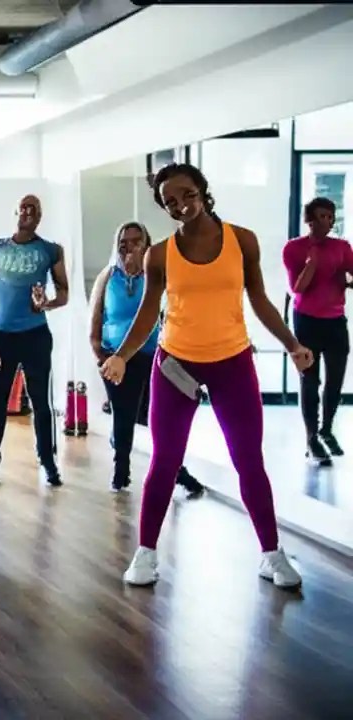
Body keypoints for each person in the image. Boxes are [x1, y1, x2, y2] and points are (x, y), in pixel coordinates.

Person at [101, 162, 307, 589]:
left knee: (248, 459)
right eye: (170, 202)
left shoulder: (242, 240)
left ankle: (271, 553)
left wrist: (292, 344)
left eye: (187, 195)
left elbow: (261, 300)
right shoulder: (160, 253)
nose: (180, 206)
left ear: (202, 190)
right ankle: (146, 552)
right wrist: (121, 356)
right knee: (165, 459)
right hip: (175, 363)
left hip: (232, 361)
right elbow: (146, 316)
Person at [88, 222, 204, 496]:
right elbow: (94, 324)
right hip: (115, 357)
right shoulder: (108, 277)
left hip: (153, 356)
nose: (129, 246)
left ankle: (177, 471)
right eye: (124, 242)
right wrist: (101, 357)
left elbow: (174, 312)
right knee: (123, 414)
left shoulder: (158, 275)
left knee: (160, 419)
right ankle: (120, 472)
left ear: (147, 243)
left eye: (136, 240)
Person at [0, 194, 69, 486]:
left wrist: (45, 303)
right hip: (2, 336)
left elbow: (64, 294)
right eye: (23, 208)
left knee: (41, 403)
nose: (28, 213)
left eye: (34, 209)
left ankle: (48, 461)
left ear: (40, 216)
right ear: (16, 212)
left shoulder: (51, 250)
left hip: (35, 335)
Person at [282, 197, 352, 465]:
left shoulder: (342, 247)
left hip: (335, 322)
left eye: (330, 216)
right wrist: (313, 262)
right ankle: (311, 438)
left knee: (334, 380)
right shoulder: (294, 249)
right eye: (321, 216)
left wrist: (346, 280)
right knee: (310, 382)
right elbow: (298, 288)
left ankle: (327, 430)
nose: (327, 221)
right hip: (307, 321)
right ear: (309, 220)